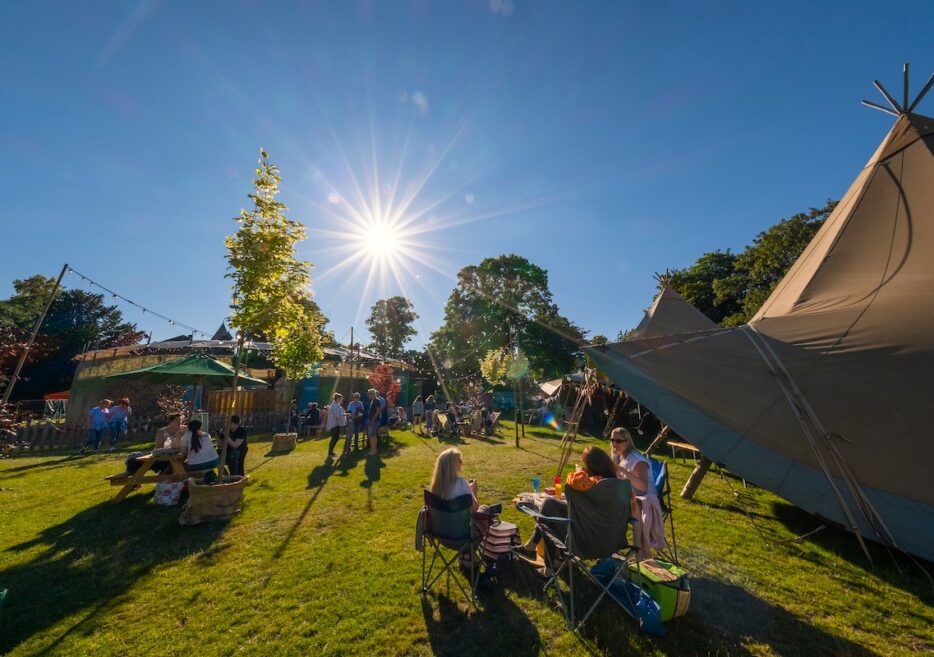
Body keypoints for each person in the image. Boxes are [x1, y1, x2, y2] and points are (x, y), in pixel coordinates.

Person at [516, 446, 619, 573]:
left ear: (591, 466)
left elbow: (575, 480)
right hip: (612, 540)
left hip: (588, 541)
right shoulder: (620, 487)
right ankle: (532, 546)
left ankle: (547, 567)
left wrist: (580, 471)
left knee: (549, 521)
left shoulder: (596, 482)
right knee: (550, 504)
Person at [609, 427, 666, 559]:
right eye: (612, 440)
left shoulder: (637, 460)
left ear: (628, 441)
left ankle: (639, 553)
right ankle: (613, 546)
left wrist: (623, 471)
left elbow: (644, 486)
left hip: (643, 496)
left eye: (618, 441)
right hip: (628, 494)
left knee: (613, 507)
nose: (614, 444)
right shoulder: (618, 455)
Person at [429, 447, 480, 512]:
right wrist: (472, 491)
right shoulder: (461, 484)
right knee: (484, 508)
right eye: (460, 461)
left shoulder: (435, 486)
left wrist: (468, 488)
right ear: (453, 465)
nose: (462, 463)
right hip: (461, 521)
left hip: (439, 521)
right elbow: (475, 508)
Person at [325, 393, 347, 458]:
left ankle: (331, 452)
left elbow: (340, 412)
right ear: (337, 399)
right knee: (334, 438)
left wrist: (344, 414)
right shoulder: (334, 405)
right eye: (341, 399)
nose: (341, 400)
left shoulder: (336, 405)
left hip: (336, 424)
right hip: (333, 424)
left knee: (336, 438)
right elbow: (337, 415)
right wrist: (345, 414)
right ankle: (330, 453)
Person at [366, 388, 382, 455]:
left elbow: (378, 411)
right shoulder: (373, 401)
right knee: (373, 435)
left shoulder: (376, 401)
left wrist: (372, 419)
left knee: (372, 435)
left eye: (369, 395)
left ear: (372, 394)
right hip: (372, 420)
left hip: (374, 421)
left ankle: (373, 450)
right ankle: (374, 449)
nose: (368, 396)